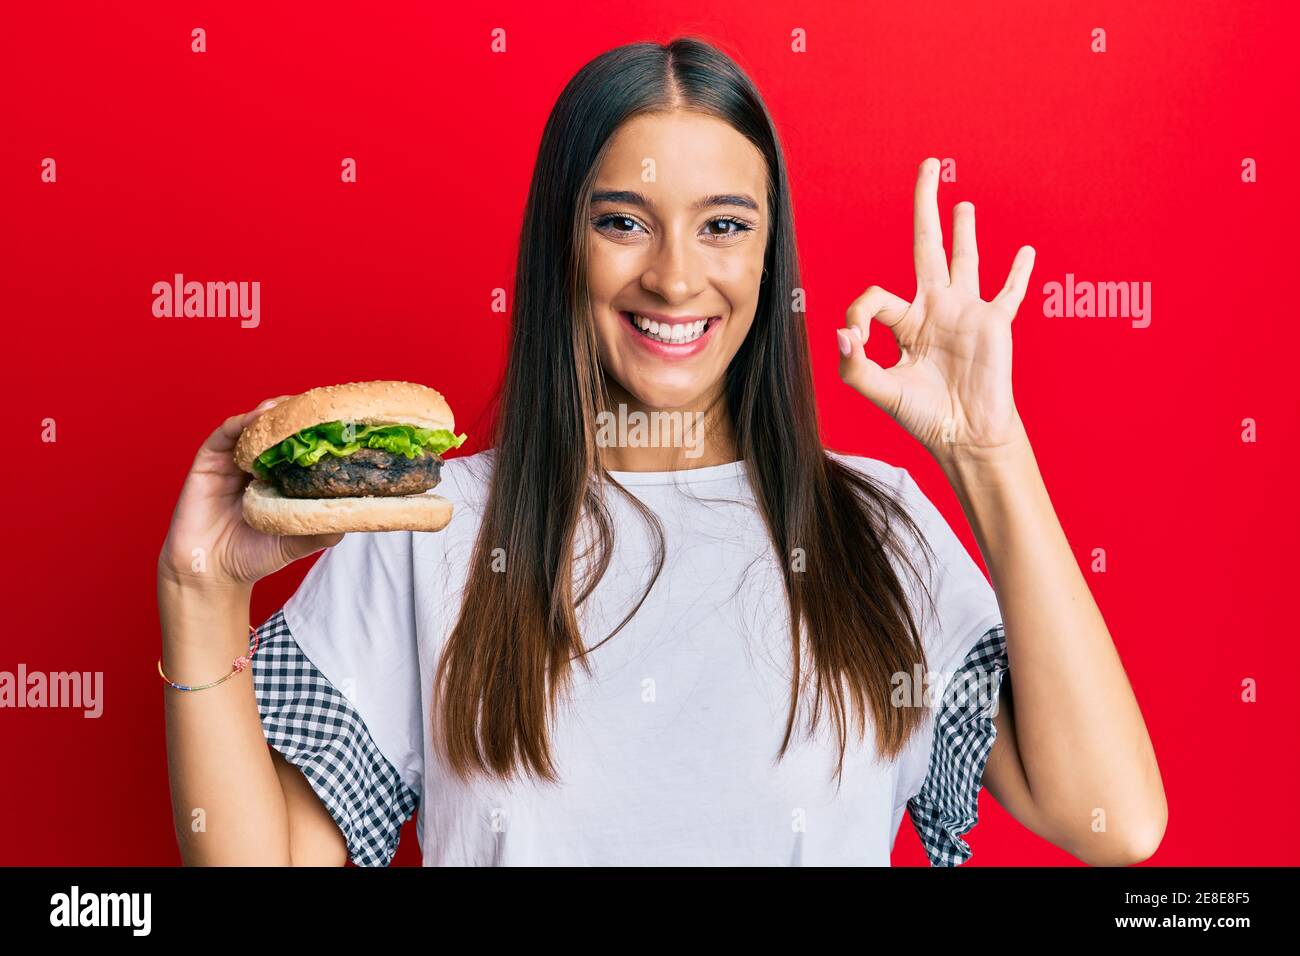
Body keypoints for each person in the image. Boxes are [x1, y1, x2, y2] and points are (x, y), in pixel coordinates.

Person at [157, 36, 1166, 866]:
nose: (676, 278)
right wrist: (197, 593)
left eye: (723, 225)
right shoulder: (433, 527)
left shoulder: (876, 527)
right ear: (564, 244)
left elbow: (1111, 819)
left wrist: (986, 450)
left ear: (769, 256)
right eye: (624, 222)